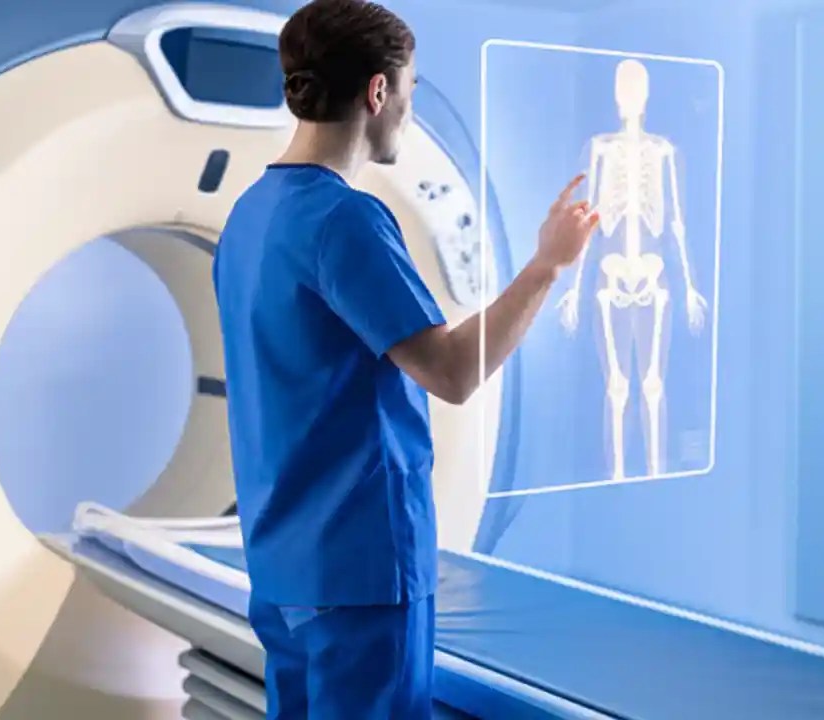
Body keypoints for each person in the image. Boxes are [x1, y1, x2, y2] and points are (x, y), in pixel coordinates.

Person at [212, 0, 599, 716]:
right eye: (411, 90)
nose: (411, 113)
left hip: (282, 563)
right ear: (377, 91)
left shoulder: (250, 214)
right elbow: (451, 371)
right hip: (361, 570)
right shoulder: (344, 218)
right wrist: (547, 266)